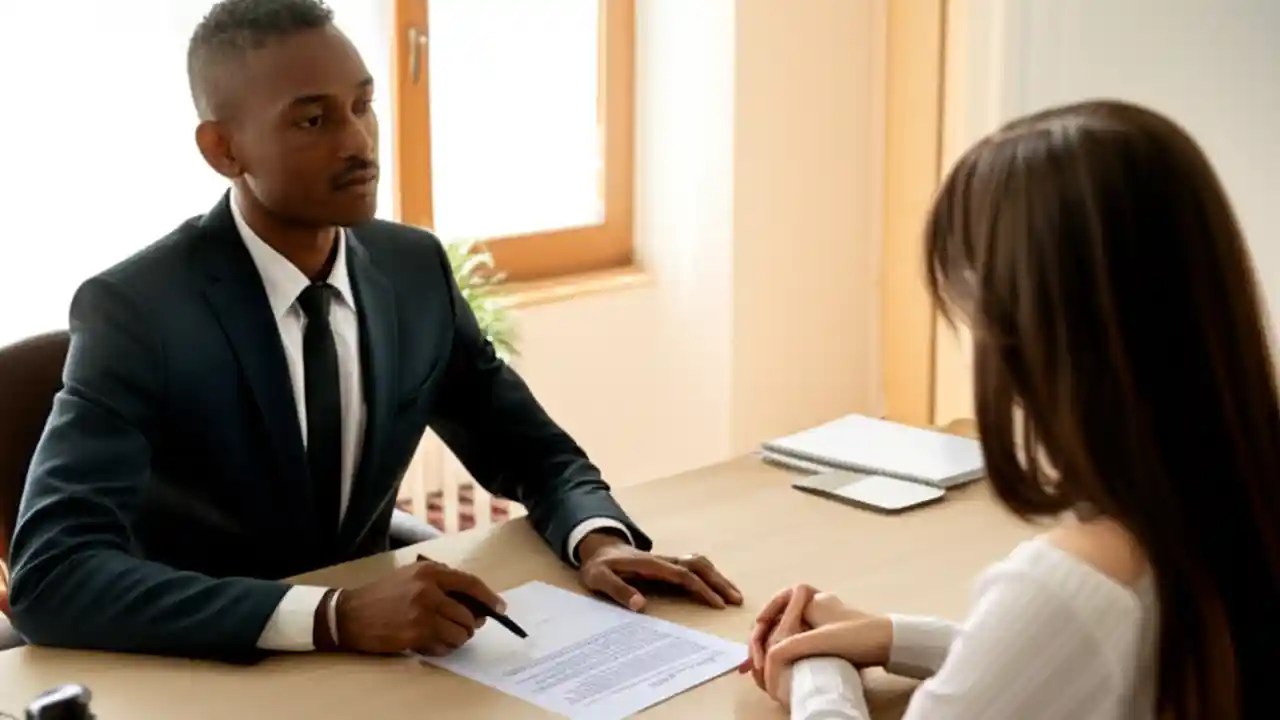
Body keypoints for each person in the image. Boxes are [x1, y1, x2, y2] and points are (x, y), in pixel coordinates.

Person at [7, 0, 741, 661]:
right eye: (313, 119)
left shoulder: (412, 269)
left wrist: (597, 538)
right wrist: (333, 617)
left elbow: (530, 450)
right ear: (223, 150)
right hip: (209, 670)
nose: (359, 143)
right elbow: (51, 575)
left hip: (387, 672)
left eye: (364, 106)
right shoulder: (138, 310)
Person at [742, 100, 1280, 718]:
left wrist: (816, 676)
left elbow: (1069, 630)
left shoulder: (1070, 585)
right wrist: (898, 636)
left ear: (1026, 330)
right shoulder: (1230, 503)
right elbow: (1091, 664)